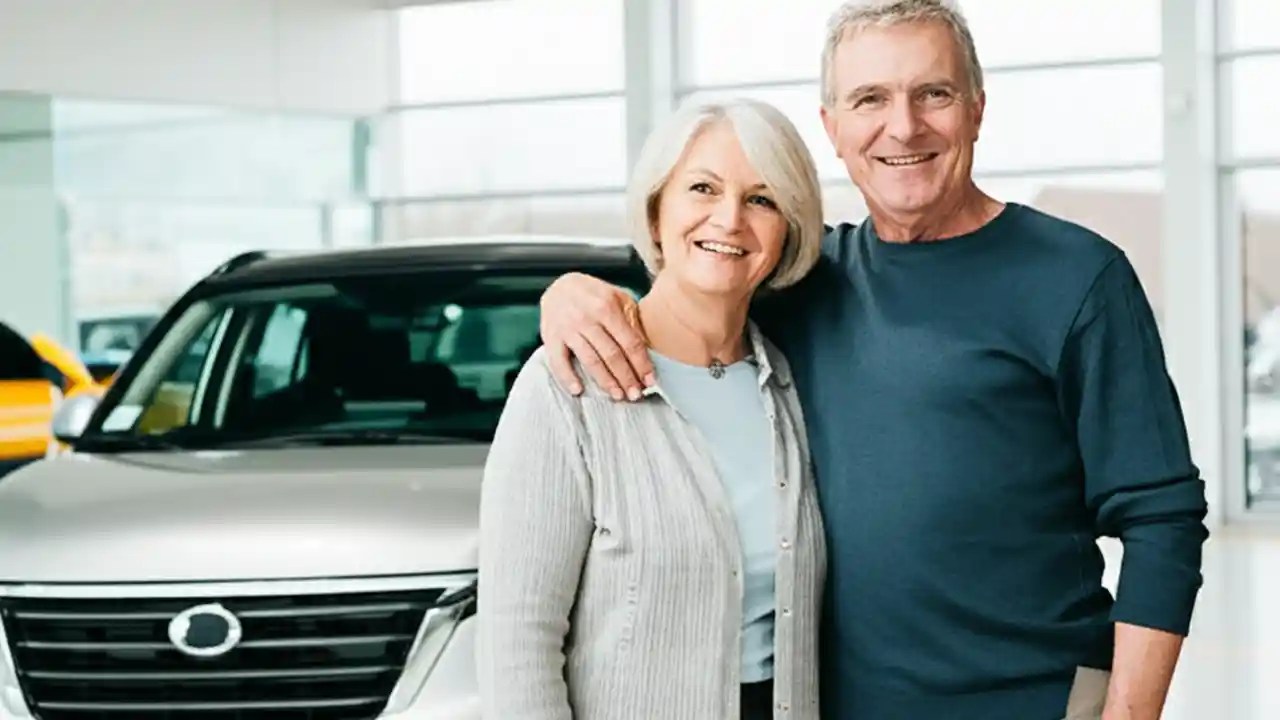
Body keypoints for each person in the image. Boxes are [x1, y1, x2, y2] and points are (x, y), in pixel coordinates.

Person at [536, 2, 1210, 719]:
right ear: (832, 129)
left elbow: (1163, 518)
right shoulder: (799, 281)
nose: (904, 126)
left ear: (976, 110)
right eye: (870, 100)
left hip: (1035, 701)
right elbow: (689, 290)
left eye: (934, 94)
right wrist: (572, 295)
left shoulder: (1077, 277)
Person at [477, 98, 828, 720]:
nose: (730, 219)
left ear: (789, 231)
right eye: (702, 188)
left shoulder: (791, 384)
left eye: (762, 199)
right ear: (656, 209)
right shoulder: (564, 388)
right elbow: (516, 645)